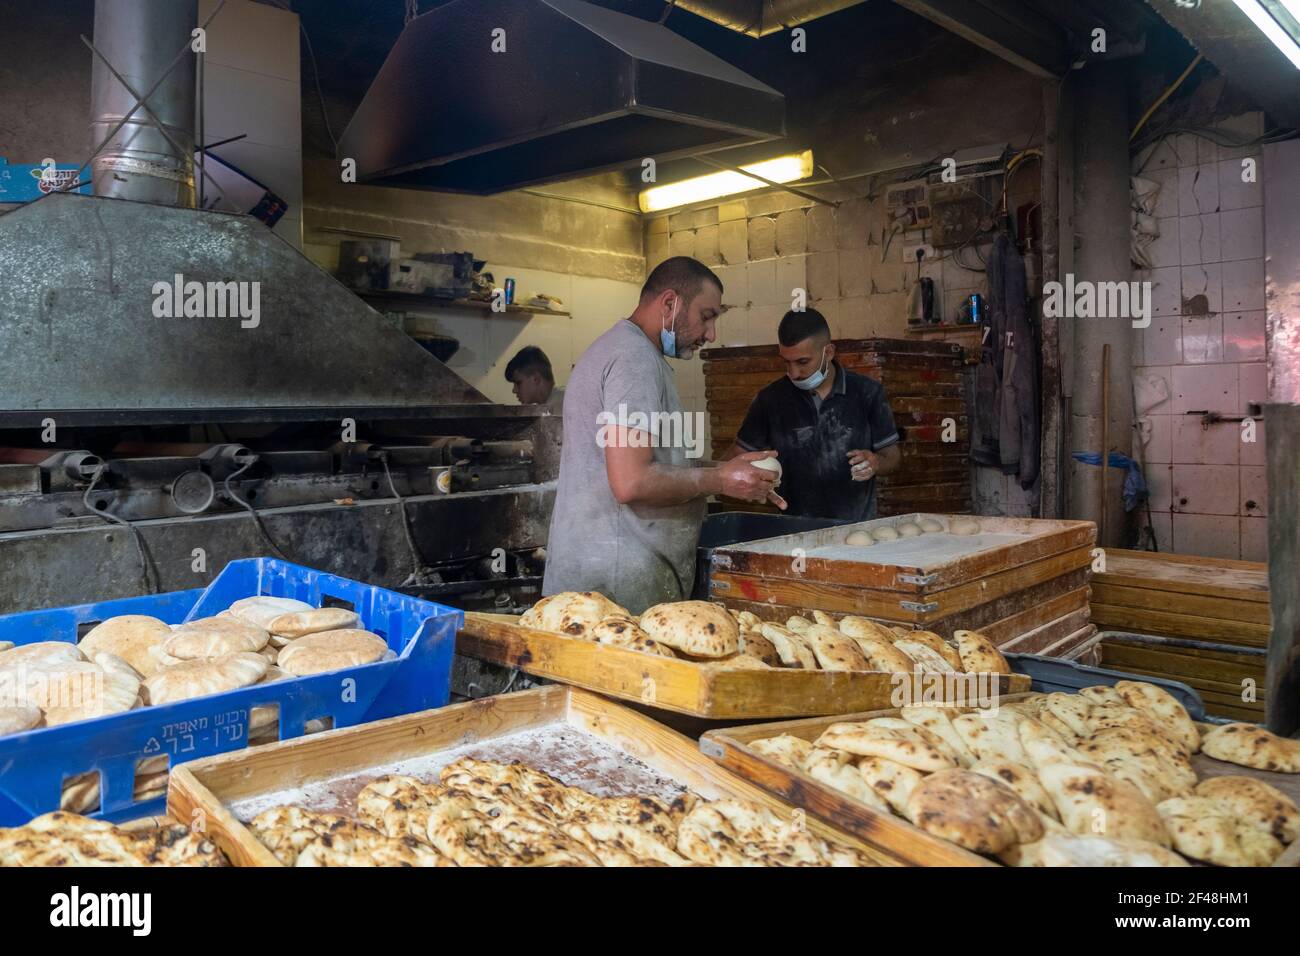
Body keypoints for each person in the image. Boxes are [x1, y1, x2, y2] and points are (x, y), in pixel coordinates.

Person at [542, 256, 782, 613]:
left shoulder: (629, 352)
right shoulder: (633, 360)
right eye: (707, 316)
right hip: (613, 595)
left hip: (603, 589)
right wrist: (719, 479)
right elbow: (631, 482)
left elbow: (648, 462)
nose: (711, 334)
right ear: (670, 303)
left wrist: (728, 469)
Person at [723, 307, 901, 521]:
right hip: (792, 530)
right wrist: (706, 480)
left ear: (828, 352)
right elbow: (737, 455)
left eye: (802, 362)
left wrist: (876, 463)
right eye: (786, 362)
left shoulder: (867, 393)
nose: (793, 373)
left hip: (855, 529)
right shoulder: (770, 400)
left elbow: (892, 456)